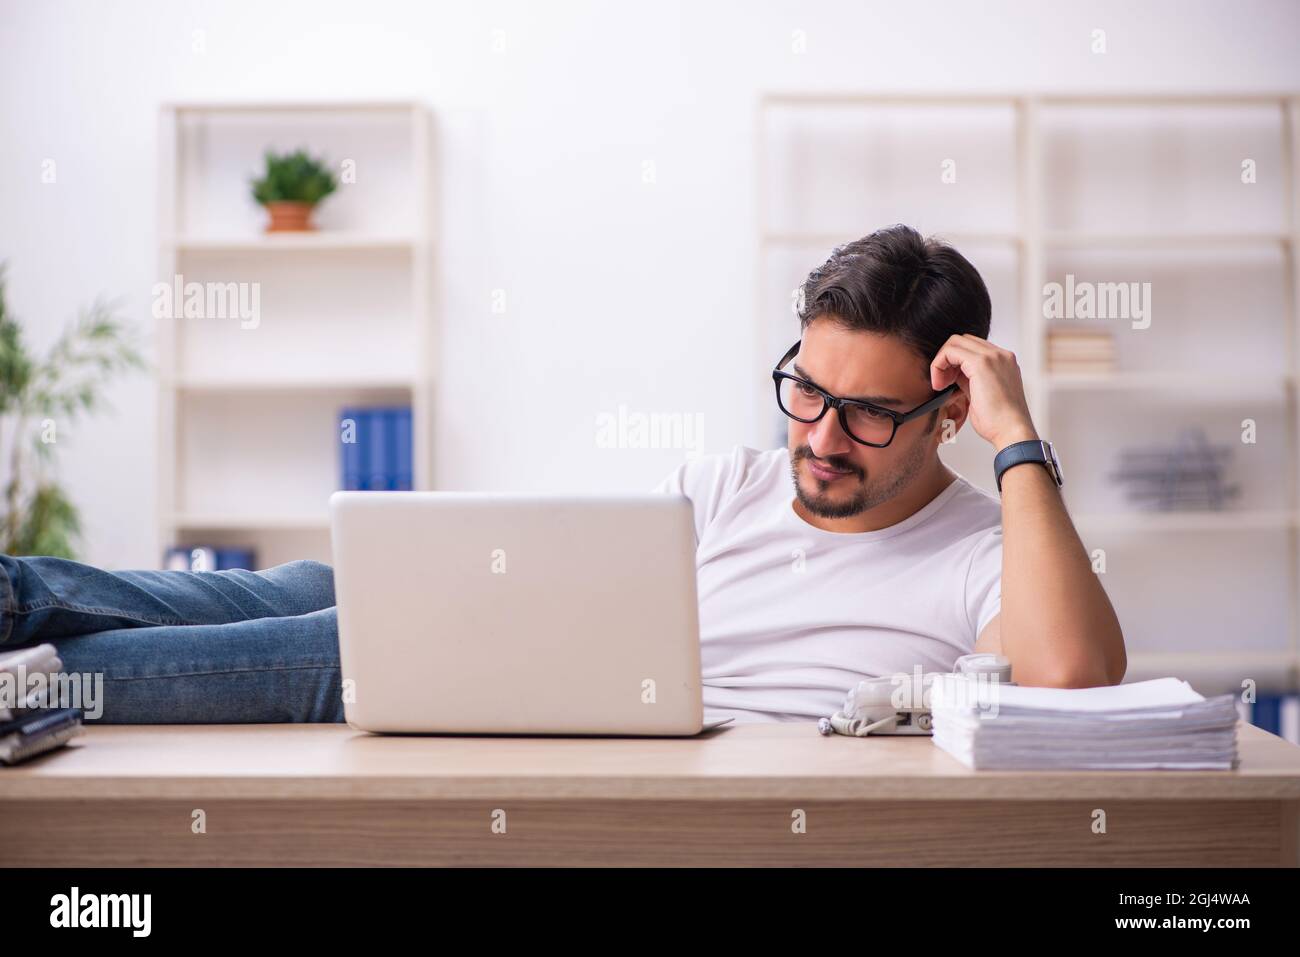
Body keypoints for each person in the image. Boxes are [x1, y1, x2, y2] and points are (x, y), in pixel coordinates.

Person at [0, 224, 1125, 724]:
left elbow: (1071, 670)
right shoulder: (726, 482)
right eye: (807, 393)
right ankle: (17, 596)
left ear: (947, 415)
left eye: (870, 416)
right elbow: (582, 592)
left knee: (329, 653)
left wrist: (1018, 437)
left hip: (636, 737)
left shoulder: (989, 556)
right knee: (297, 587)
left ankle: (25, 679)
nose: (821, 437)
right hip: (555, 671)